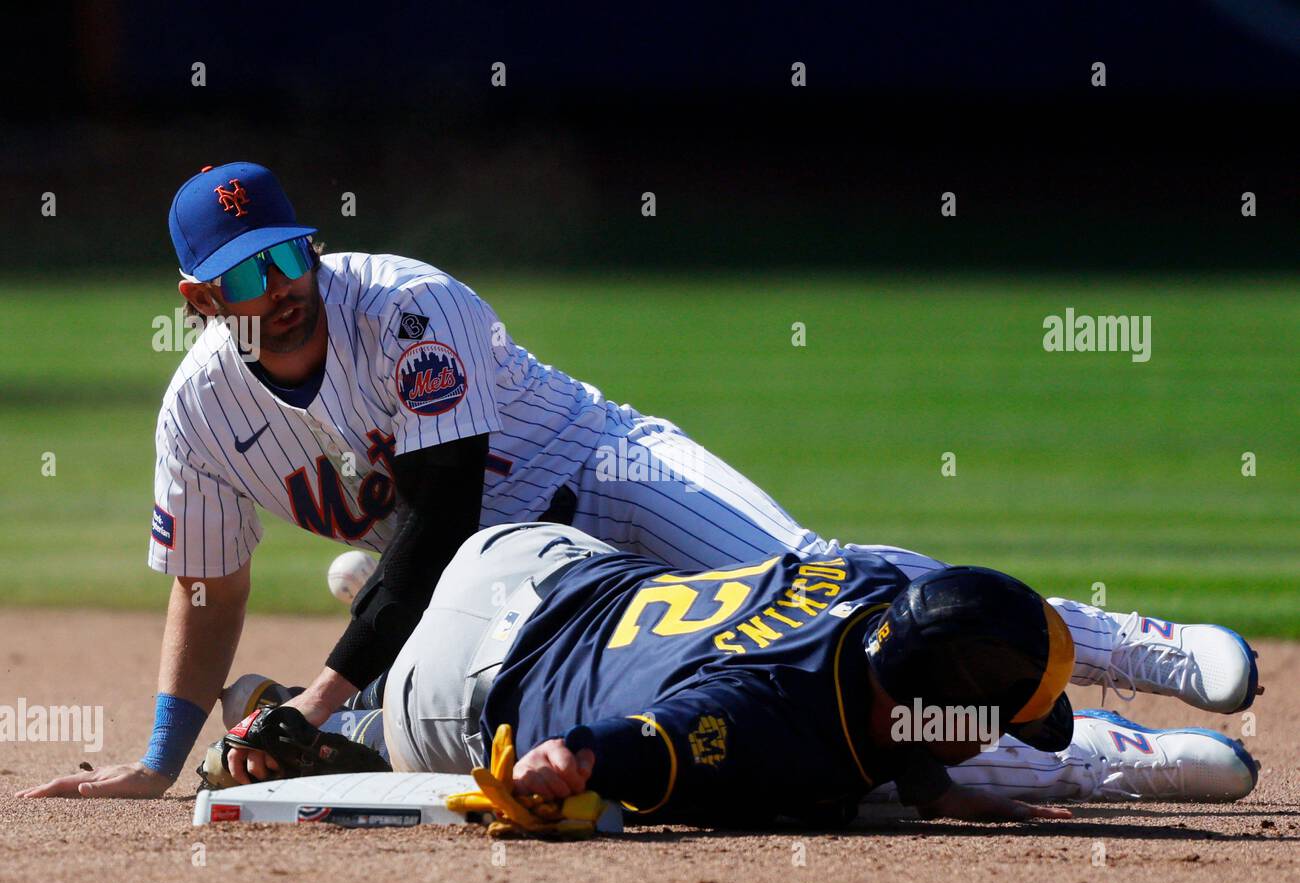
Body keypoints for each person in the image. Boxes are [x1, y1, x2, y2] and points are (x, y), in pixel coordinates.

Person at [18, 164, 1260, 800]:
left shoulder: (401, 305)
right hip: (504, 583)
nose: (276, 285)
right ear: (197, 299)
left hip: (599, 471)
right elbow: (207, 585)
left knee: (815, 585)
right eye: (241, 274)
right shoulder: (201, 412)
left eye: (286, 253)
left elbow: (443, 505)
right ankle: (1101, 754)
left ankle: (1123, 644)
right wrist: (158, 756)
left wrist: (335, 673)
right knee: (773, 702)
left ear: (314, 247)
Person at [211, 523, 1259, 827]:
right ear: (932, 709)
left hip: (538, 556)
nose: (996, 734)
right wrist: (557, 771)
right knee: (409, 737)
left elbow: (924, 666)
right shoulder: (771, 725)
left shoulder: (879, 584)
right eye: (991, 721)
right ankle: (343, 687)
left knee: (907, 568)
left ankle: (382, 597)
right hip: (460, 688)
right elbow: (613, 750)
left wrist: (944, 791)